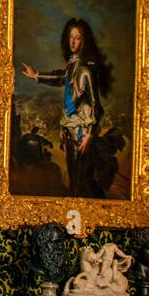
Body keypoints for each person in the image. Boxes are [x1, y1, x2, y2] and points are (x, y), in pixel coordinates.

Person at [20, 17, 125, 197]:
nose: (73, 41)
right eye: (71, 37)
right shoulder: (71, 66)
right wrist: (36, 75)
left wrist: (90, 136)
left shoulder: (85, 70)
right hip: (69, 133)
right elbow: (60, 77)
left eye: (77, 38)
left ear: (83, 41)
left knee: (80, 183)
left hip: (81, 134)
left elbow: (97, 107)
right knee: (74, 180)